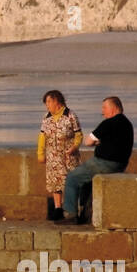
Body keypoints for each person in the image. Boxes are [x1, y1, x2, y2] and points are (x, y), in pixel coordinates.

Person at [61, 96, 133, 225]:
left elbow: (88, 142)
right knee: (87, 183)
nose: (102, 111)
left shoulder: (109, 123)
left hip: (104, 163)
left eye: (104, 108)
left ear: (113, 108)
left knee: (72, 178)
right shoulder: (127, 124)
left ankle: (70, 215)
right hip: (120, 164)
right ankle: (86, 214)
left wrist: (98, 143)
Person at [37, 90, 82, 221]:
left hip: (68, 157)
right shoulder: (46, 117)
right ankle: (57, 209)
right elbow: (42, 137)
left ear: (57, 101)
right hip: (52, 157)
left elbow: (78, 135)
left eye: (49, 102)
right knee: (54, 183)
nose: (47, 105)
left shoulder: (70, 116)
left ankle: (72, 210)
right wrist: (40, 153)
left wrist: (74, 147)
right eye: (46, 103)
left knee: (68, 182)